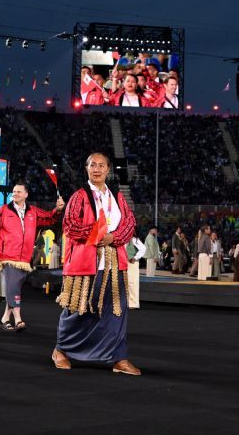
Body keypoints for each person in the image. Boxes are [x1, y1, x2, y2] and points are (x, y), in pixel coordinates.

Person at [52, 153, 140, 376]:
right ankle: (61, 350)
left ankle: (118, 357)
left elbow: (130, 223)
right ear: (87, 168)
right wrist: (96, 234)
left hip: (114, 262)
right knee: (77, 309)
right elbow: (70, 225)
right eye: (93, 165)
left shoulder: (117, 197)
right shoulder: (79, 196)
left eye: (101, 165)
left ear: (108, 170)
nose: (97, 169)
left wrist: (114, 237)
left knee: (116, 312)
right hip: (86, 261)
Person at [0, 181, 63, 330]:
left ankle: (4, 318)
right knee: (13, 287)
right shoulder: (3, 211)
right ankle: (18, 319)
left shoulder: (33, 211)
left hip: (25, 258)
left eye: (18, 192)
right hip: (7, 256)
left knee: (13, 287)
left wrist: (57, 210)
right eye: (14, 191)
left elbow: (49, 218)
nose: (15, 194)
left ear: (26, 194)